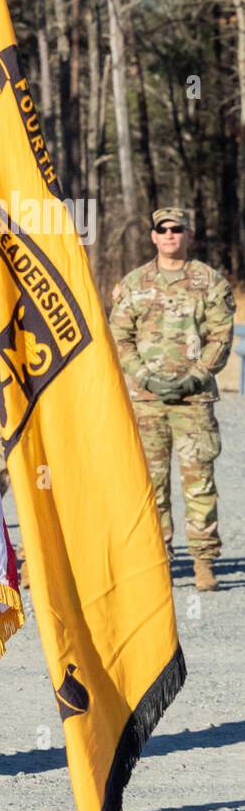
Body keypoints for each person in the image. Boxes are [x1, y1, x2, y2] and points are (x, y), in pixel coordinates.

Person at [109, 206, 236, 591]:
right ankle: (159, 560)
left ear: (188, 235)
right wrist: (144, 375)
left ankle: (203, 562)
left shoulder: (209, 282)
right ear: (152, 236)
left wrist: (195, 376)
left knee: (199, 483)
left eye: (176, 229)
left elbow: (221, 335)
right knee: (151, 485)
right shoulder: (133, 284)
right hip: (146, 402)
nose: (168, 235)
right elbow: (120, 336)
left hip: (193, 402)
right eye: (161, 229)